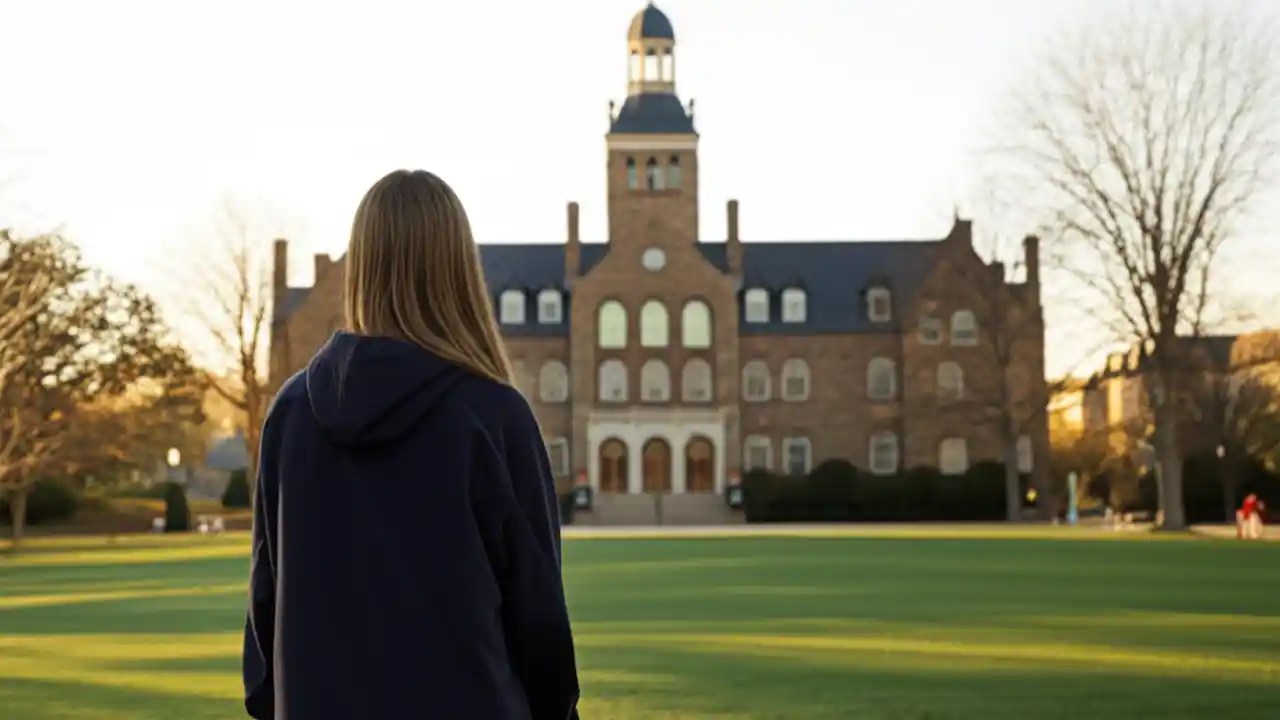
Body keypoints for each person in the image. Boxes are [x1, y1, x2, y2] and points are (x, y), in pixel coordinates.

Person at [242, 170, 580, 720]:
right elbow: (538, 623)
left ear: (362, 267)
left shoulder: (290, 413)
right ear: (459, 271)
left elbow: (266, 607)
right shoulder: (493, 415)